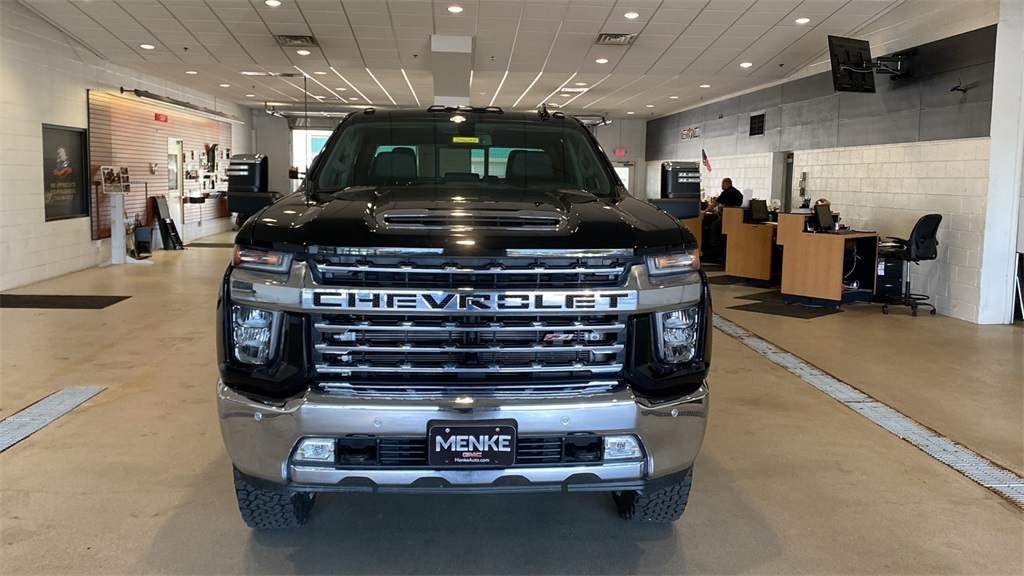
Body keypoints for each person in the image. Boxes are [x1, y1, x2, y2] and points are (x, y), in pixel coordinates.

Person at [702, 178, 743, 263]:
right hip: (736, 219)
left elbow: (715, 203)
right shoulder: (737, 192)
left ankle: (714, 246)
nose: (721, 185)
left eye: (722, 184)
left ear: (725, 184)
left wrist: (704, 211)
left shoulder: (727, 192)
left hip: (728, 218)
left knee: (714, 225)